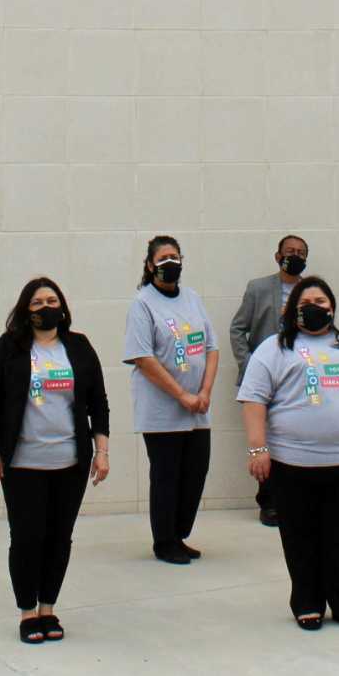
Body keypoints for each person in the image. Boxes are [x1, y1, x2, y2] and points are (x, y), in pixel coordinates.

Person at [238, 276, 339, 631]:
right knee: (300, 535)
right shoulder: (274, 349)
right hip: (292, 465)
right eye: (305, 303)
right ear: (292, 310)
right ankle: (307, 602)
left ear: (332, 307)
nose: (314, 308)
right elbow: (253, 400)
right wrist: (258, 449)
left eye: (320, 301)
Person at [0, 277, 111, 645]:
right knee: (26, 538)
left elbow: (98, 402)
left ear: (63, 307)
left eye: (52, 301)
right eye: (37, 303)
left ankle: (48, 607)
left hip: (70, 462)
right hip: (23, 464)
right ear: (25, 310)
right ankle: (27, 611)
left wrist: (102, 451)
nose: (45, 307)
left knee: (59, 538)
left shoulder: (79, 346)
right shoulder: (10, 347)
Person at [122, 235, 219, 564]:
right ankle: (164, 541)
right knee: (167, 476)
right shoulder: (142, 303)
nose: (170, 264)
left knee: (195, 473)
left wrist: (204, 392)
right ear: (150, 266)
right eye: (163, 259)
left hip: (197, 408)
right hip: (162, 410)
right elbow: (142, 357)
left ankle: (178, 534)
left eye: (175, 257)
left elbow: (211, 348)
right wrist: (181, 395)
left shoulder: (192, 298)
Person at [228, 234, 310, 527]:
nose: (294, 256)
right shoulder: (258, 288)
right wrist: (249, 366)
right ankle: (269, 502)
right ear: (278, 256)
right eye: (289, 251)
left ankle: (296, 499)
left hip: (299, 376)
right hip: (265, 377)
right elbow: (238, 329)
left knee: (295, 437)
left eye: (301, 252)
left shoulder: (311, 290)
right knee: (263, 441)